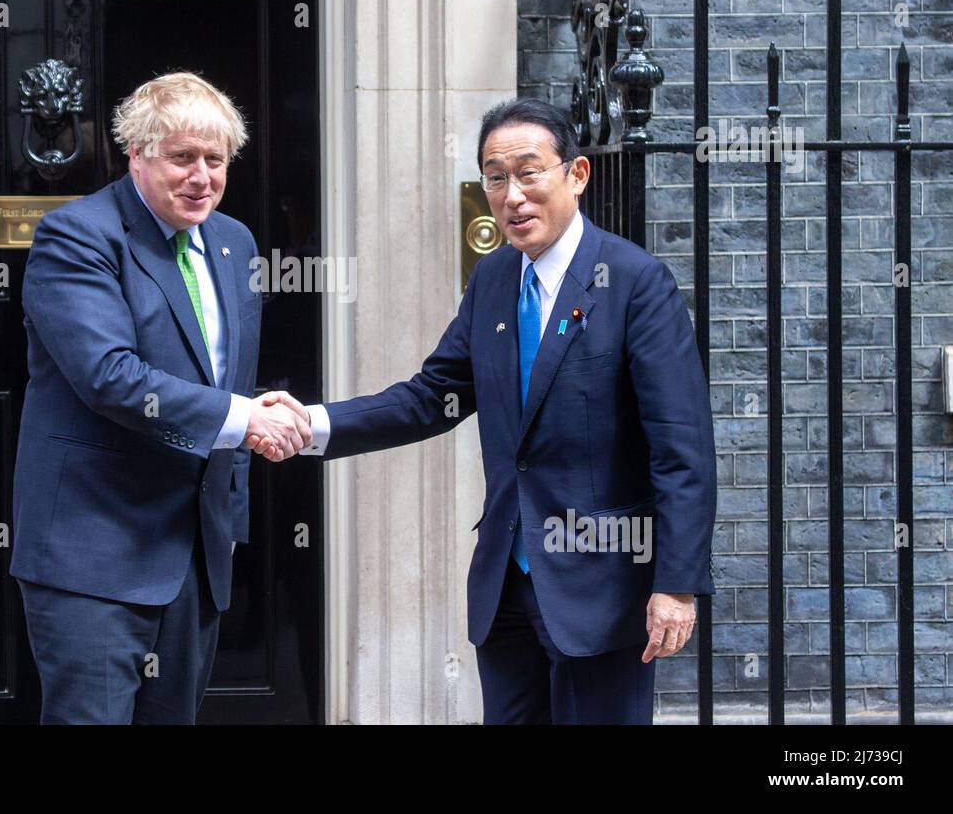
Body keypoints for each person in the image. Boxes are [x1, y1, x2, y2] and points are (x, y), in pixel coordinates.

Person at [253, 98, 717, 724]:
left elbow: (681, 447)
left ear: (576, 175)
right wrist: (314, 423)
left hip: (601, 591)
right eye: (495, 178)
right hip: (506, 588)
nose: (512, 195)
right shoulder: (494, 279)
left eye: (529, 172)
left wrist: (677, 585)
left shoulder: (635, 283)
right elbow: (429, 397)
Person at [11, 72, 311, 723]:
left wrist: (230, 512)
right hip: (94, 557)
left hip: (194, 559)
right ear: (138, 155)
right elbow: (109, 376)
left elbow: (221, 377)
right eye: (182, 158)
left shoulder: (233, 244)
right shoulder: (78, 237)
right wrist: (243, 419)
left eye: (215, 159)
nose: (201, 176)